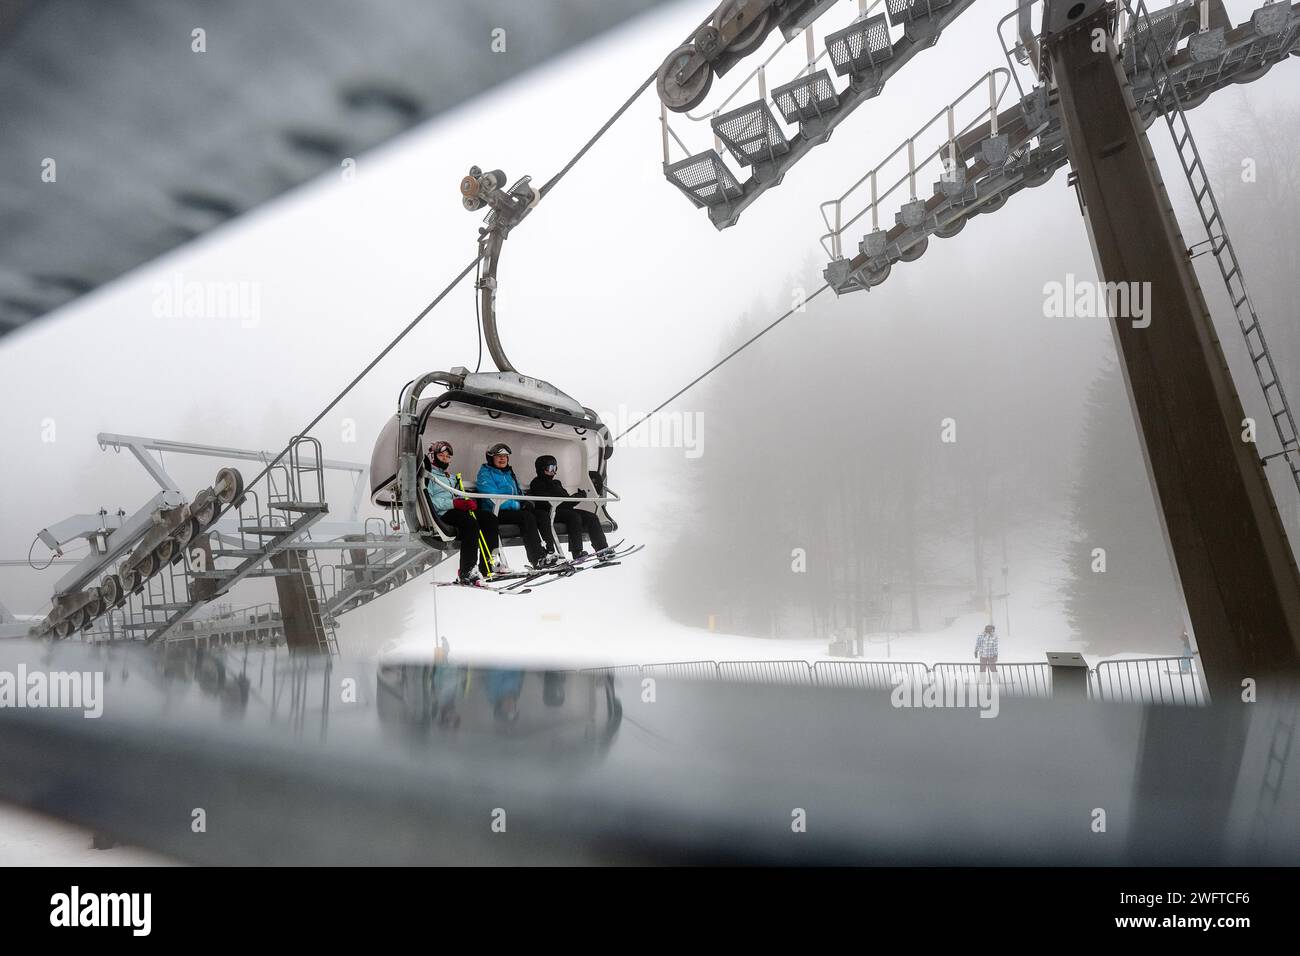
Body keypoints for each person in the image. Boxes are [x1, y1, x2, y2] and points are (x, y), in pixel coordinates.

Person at [423, 440, 498, 586]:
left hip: (457, 510)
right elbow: (430, 501)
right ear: (433, 456)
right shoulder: (429, 476)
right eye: (441, 455)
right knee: (470, 523)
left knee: (490, 518)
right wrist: (454, 503)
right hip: (443, 514)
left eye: (447, 456)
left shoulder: (451, 478)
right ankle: (467, 571)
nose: (445, 459)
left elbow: (458, 496)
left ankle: (488, 565)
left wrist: (468, 502)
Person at [475, 442, 558, 570]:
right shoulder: (485, 474)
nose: (502, 459)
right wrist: (518, 505)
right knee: (526, 517)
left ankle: (550, 552)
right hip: (496, 511)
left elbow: (519, 492)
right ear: (491, 458)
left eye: (505, 456)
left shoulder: (509, 474)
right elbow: (492, 497)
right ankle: (537, 558)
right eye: (498, 456)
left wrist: (525, 502)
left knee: (541, 514)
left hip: (513, 510)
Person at [528, 454, 610, 560]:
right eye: (550, 468)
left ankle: (602, 549)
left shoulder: (557, 483)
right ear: (541, 469)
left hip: (565, 509)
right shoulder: (537, 483)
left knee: (591, 517)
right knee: (574, 517)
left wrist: (576, 497)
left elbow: (566, 499)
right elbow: (549, 502)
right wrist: (574, 499)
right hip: (551, 512)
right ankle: (577, 552)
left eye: (555, 468)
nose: (553, 471)